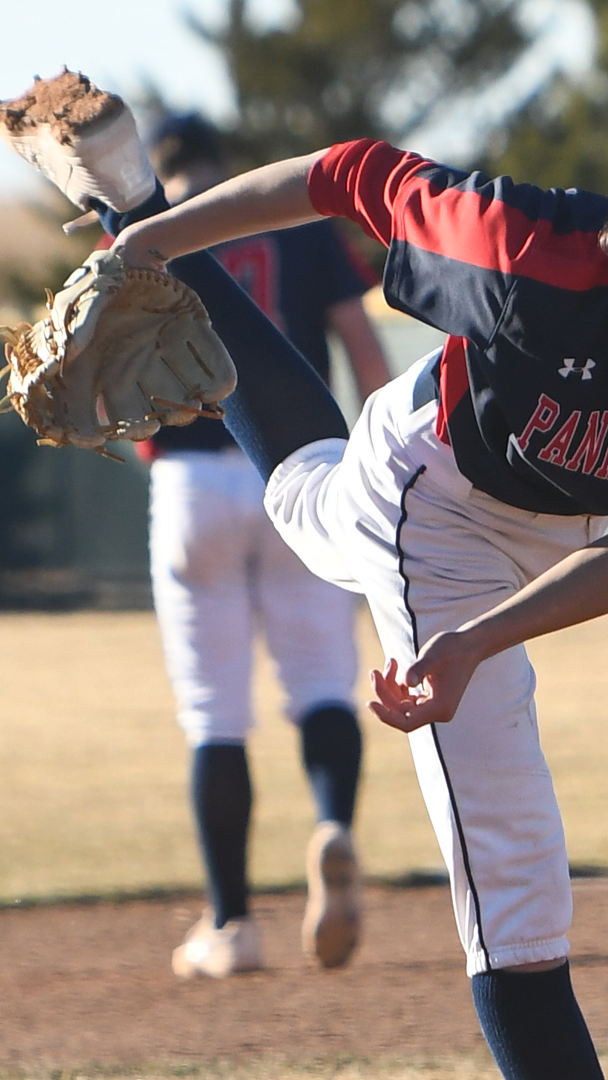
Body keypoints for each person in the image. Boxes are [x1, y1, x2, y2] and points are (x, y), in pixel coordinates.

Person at [0, 68, 608, 1079]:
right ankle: (136, 209)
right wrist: (149, 250)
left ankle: (128, 190)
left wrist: (487, 637)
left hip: (559, 523)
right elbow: (348, 175)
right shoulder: (542, 254)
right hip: (434, 498)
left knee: (301, 499)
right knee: (516, 879)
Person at [137, 114, 392, 977]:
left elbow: (103, 383)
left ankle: (233, 925)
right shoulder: (286, 223)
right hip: (298, 471)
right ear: (225, 164)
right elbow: (359, 341)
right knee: (324, 680)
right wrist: (384, 458)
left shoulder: (138, 238)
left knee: (214, 713)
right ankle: (333, 827)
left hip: (191, 484)